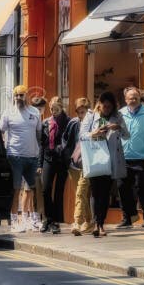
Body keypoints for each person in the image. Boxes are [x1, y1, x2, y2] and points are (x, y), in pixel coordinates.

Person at [80, 91, 129, 238]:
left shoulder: (118, 117)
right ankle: (97, 224)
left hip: (111, 159)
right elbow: (81, 135)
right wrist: (94, 133)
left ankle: (100, 224)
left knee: (105, 192)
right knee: (95, 192)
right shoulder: (91, 116)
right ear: (99, 105)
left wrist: (118, 127)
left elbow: (127, 135)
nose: (106, 109)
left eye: (109, 107)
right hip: (96, 157)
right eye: (104, 106)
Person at [0, 85, 43, 233]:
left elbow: (38, 134)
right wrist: (3, 151)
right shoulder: (8, 113)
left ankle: (28, 219)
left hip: (32, 156)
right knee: (16, 189)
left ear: (26, 96)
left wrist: (38, 154)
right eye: (16, 95)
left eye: (21, 95)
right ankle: (14, 221)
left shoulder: (35, 112)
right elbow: (0, 132)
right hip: (15, 156)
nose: (18, 98)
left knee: (31, 189)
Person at [118, 86, 144, 228]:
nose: (133, 99)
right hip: (123, 157)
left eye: (136, 97)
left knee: (142, 189)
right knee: (122, 188)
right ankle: (128, 217)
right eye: (130, 97)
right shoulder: (120, 114)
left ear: (139, 98)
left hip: (142, 158)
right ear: (126, 100)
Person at [39, 96, 69, 234]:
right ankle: (48, 219)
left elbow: (69, 142)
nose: (53, 111)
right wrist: (40, 164)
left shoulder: (68, 122)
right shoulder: (45, 122)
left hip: (62, 160)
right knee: (45, 190)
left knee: (58, 191)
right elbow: (41, 145)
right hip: (48, 158)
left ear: (61, 108)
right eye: (51, 109)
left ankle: (55, 221)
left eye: (56, 109)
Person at [64, 98, 93, 236]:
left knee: (81, 193)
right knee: (81, 195)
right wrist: (69, 156)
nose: (82, 115)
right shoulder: (73, 123)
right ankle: (89, 221)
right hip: (74, 164)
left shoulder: (94, 122)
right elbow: (66, 140)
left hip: (88, 163)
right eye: (80, 112)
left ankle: (77, 222)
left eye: (85, 112)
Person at [30, 96, 47, 229]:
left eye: (41, 108)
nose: (40, 110)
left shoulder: (43, 122)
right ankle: (33, 217)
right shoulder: (31, 122)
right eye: (38, 108)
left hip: (41, 159)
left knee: (40, 190)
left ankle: (40, 216)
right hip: (33, 158)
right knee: (33, 190)